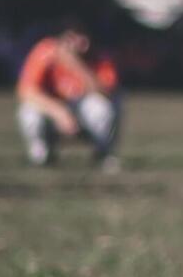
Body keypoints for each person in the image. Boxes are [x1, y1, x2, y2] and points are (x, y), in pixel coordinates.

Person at [15, 20, 122, 169]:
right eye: (74, 36)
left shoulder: (100, 56)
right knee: (29, 111)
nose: (82, 41)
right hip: (54, 115)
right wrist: (59, 113)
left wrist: (74, 63)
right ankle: (41, 154)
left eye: (84, 35)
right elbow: (26, 91)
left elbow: (106, 91)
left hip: (83, 116)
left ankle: (103, 153)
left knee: (101, 107)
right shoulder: (45, 51)